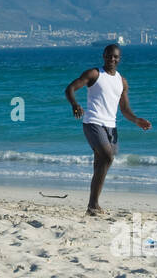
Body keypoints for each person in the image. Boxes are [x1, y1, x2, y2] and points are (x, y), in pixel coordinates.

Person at [64, 44, 151, 215]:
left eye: (115, 57)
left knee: (102, 164)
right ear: (104, 56)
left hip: (111, 127)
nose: (112, 59)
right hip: (93, 123)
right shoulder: (94, 74)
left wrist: (136, 120)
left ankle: (92, 206)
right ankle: (94, 204)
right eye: (109, 56)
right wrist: (75, 104)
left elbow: (125, 109)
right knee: (107, 156)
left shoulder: (122, 81)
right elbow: (70, 88)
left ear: (119, 59)